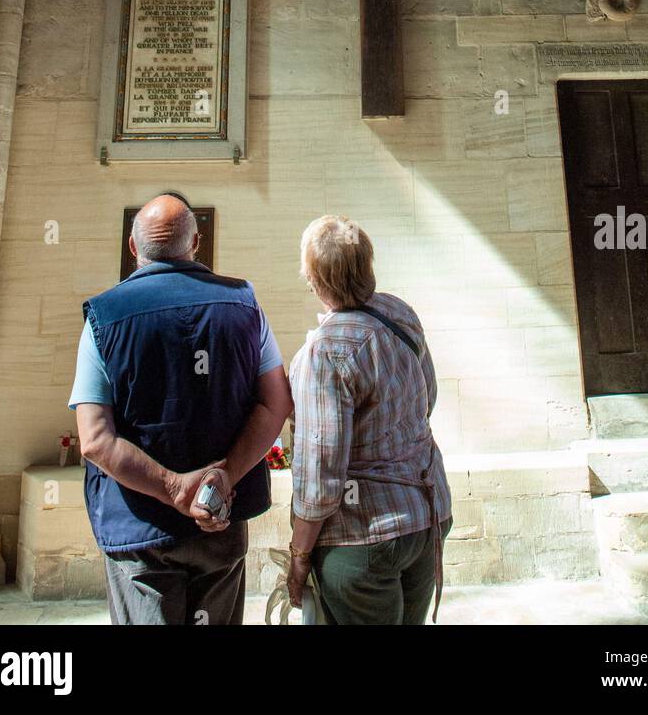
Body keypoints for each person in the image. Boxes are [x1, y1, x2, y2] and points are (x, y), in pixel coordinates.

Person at [69, 193, 292, 625]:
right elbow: (277, 400)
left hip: (140, 528)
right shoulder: (244, 304)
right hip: (219, 517)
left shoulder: (105, 314)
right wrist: (224, 476)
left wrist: (174, 489)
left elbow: (94, 440)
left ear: (134, 248)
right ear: (197, 244)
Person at [286, 215, 452, 624]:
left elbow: (320, 477)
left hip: (363, 537)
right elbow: (427, 397)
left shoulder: (323, 353)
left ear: (313, 278)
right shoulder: (399, 313)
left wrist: (299, 555)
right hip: (427, 514)